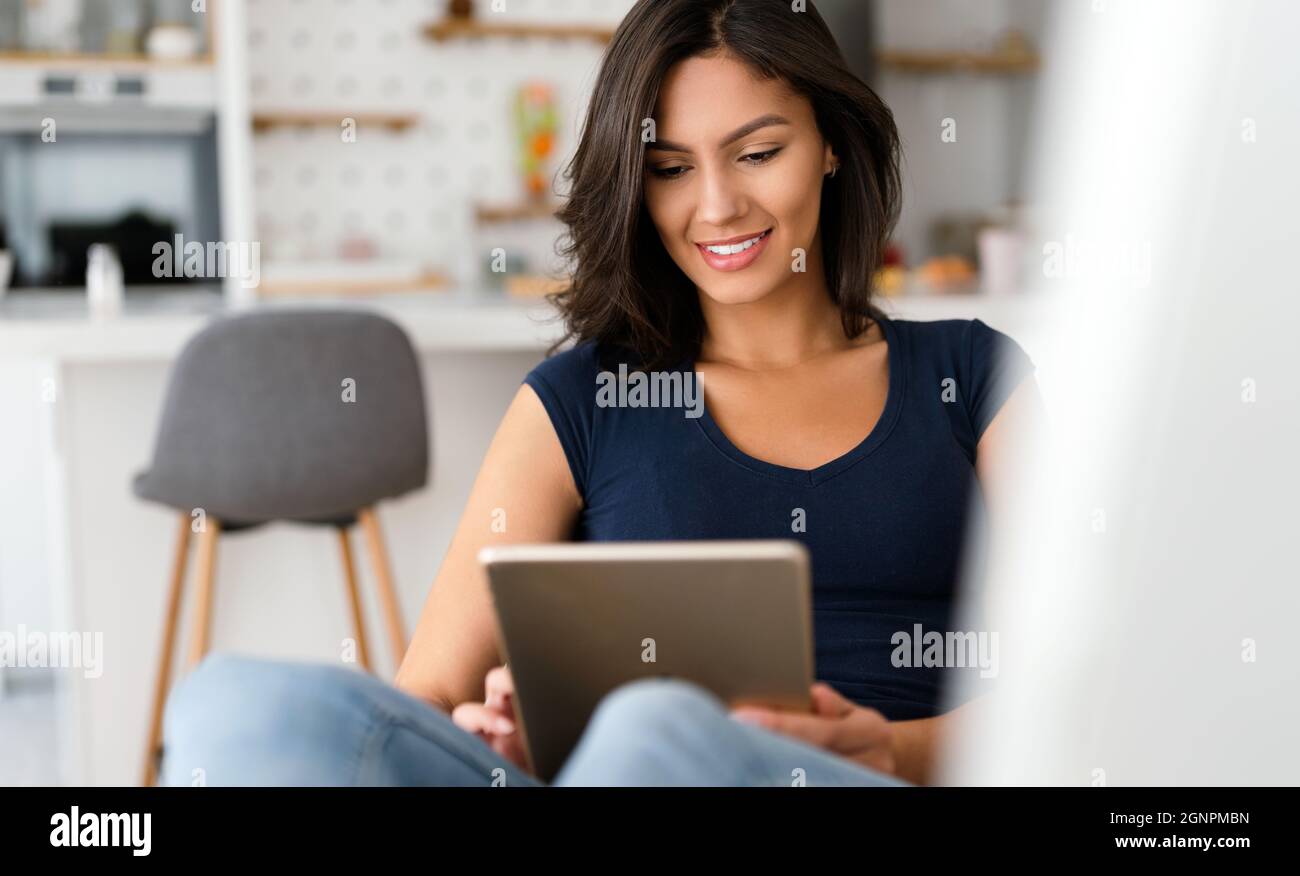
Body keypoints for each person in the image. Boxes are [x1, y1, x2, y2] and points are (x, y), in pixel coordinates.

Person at [163, 0, 1042, 787]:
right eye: (669, 168)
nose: (717, 206)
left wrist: (898, 749)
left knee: (653, 729)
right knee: (235, 704)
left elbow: (1109, 672)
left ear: (833, 146)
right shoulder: (580, 400)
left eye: (759, 152)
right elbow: (426, 695)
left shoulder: (973, 378)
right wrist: (495, 747)